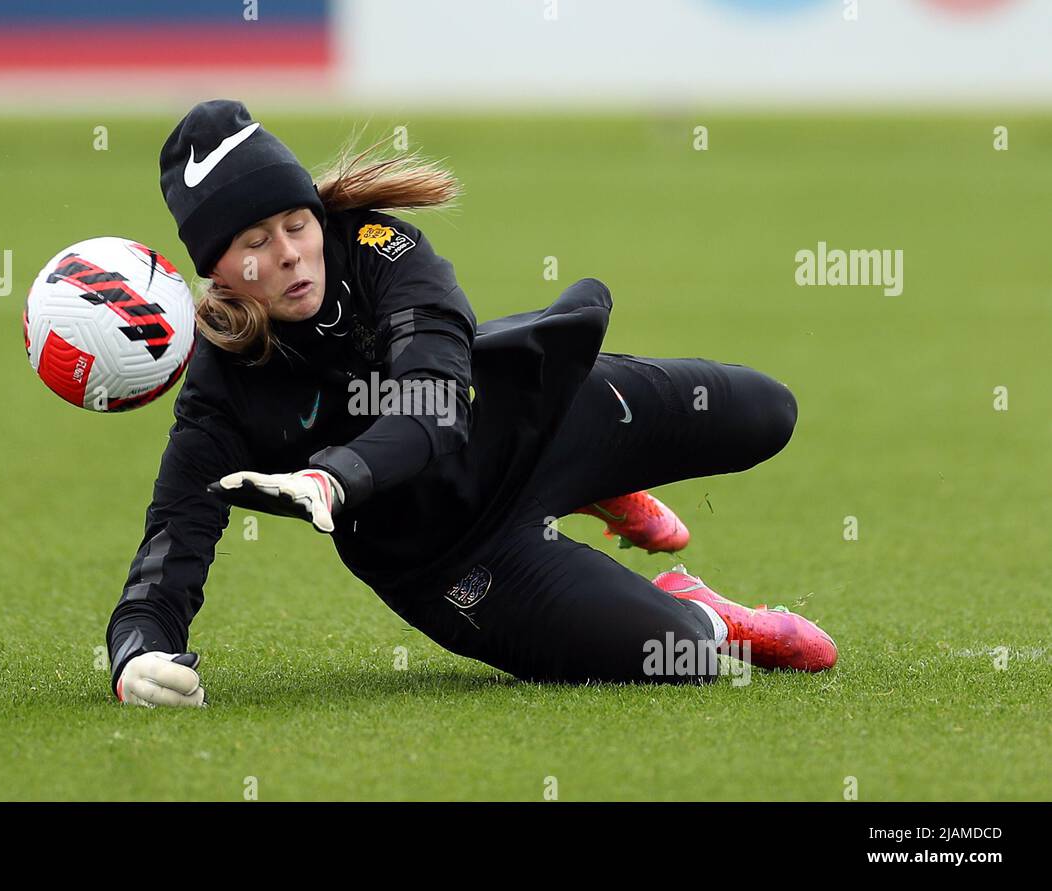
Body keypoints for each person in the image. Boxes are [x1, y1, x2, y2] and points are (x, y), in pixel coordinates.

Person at [106, 99, 837, 708]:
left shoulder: (376, 244)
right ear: (219, 274)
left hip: (536, 417)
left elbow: (434, 402)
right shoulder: (218, 394)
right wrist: (136, 658)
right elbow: (169, 551)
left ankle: (599, 483)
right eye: (255, 244)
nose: (292, 253)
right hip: (454, 556)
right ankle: (705, 604)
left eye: (296, 225)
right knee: (684, 654)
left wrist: (335, 476)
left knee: (768, 412)